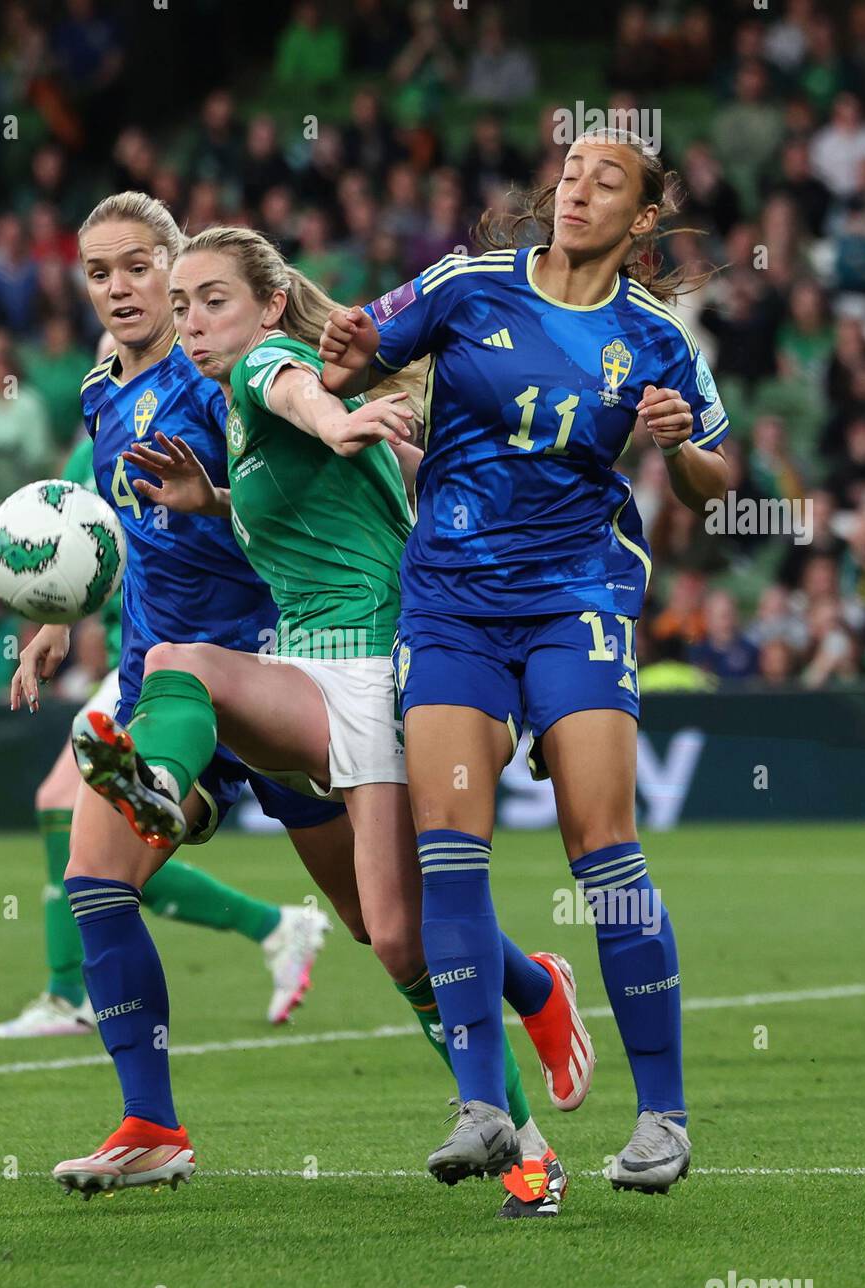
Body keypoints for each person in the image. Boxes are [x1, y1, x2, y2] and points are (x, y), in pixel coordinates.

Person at [52, 225, 579, 1218]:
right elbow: (356, 490)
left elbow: (294, 388)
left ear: (264, 304)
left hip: (376, 676)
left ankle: (530, 1141)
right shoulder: (228, 418)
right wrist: (212, 501)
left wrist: (333, 419)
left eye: (209, 299)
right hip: (299, 668)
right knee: (180, 666)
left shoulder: (266, 368)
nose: (190, 319)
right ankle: (164, 785)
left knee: (396, 940)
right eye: (184, 304)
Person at [319, 129, 731, 1194]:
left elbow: (711, 484)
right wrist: (347, 351)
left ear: (640, 220)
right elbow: (363, 342)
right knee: (448, 845)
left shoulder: (651, 336)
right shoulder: (465, 284)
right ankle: (481, 1107)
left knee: (604, 848)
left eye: (606, 181)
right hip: (450, 601)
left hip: (575, 600)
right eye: (569, 174)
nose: (576, 190)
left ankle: (662, 1119)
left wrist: (677, 443)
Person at [0, 335, 338, 1039]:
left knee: (379, 918)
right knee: (92, 828)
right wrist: (51, 626)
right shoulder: (99, 418)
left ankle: (261, 920)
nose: (117, 357)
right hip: (144, 652)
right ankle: (93, 993)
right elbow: (75, 546)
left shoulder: (207, 402)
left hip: (234, 646)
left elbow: (269, 506)